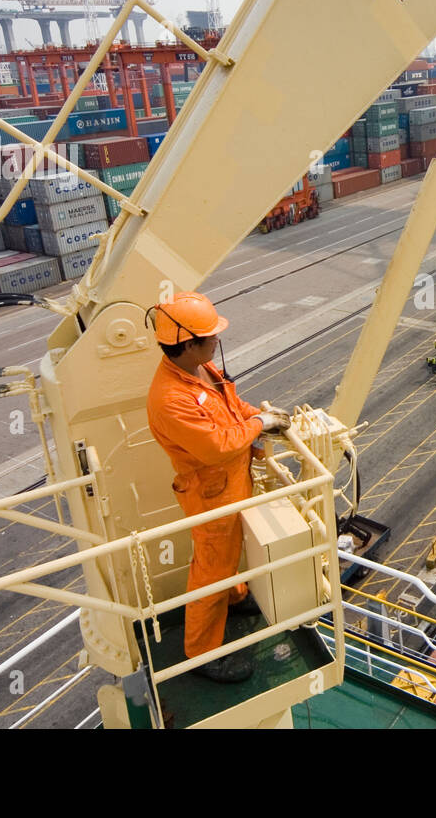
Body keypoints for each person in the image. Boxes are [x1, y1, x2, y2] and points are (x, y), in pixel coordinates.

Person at [145, 291, 290, 684]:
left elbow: (232, 404)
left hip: (231, 480)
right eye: (212, 337)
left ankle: (237, 596)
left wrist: (258, 416)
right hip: (210, 491)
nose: (217, 342)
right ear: (188, 343)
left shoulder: (200, 369)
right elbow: (214, 447)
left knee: (228, 556)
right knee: (211, 570)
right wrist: (261, 426)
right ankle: (202, 653)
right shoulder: (170, 398)